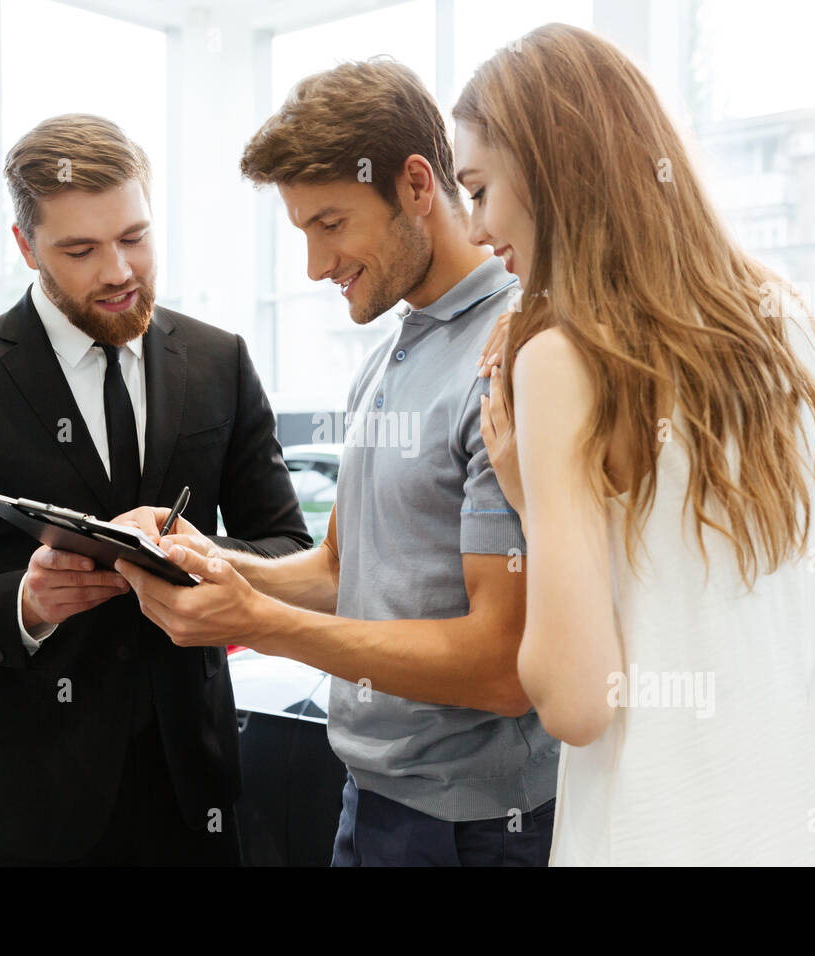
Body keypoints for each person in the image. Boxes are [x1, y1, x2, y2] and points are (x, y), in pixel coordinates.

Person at [114, 59, 559, 866]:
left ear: (417, 184)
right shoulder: (388, 358)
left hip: (479, 829)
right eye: (304, 233)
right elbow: (339, 572)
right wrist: (204, 559)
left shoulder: (517, 353)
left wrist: (257, 623)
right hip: (368, 797)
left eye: (331, 223)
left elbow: (502, 668)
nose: (317, 265)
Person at [452, 23, 815, 865]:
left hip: (653, 831)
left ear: (547, 167)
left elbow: (576, 702)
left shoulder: (563, 365)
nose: (474, 229)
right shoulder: (785, 323)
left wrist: (532, 502)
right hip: (795, 828)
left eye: (480, 188)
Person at [0, 113, 311, 866]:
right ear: (25, 246)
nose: (118, 271)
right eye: (80, 249)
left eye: (135, 237)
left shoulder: (218, 361)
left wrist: (202, 553)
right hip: (26, 813)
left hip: (191, 797)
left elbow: (289, 549)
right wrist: (24, 606)